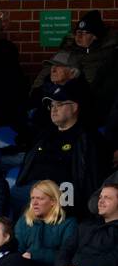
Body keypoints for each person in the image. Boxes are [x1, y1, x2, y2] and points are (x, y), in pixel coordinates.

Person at [16, 78, 106, 215]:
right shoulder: (44, 135)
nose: (54, 109)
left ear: (74, 107)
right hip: (33, 190)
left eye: (59, 104)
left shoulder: (88, 139)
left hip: (62, 194)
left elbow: (88, 182)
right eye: (51, 105)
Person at [49, 182, 118, 266]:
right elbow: (65, 249)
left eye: (107, 198)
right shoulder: (86, 226)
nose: (100, 201)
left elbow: (113, 259)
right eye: (100, 197)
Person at [14, 180, 77, 266]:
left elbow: (68, 256)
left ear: (53, 201)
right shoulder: (24, 221)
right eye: (32, 198)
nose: (34, 203)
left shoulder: (68, 223)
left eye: (40, 198)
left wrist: (35, 255)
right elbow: (16, 249)